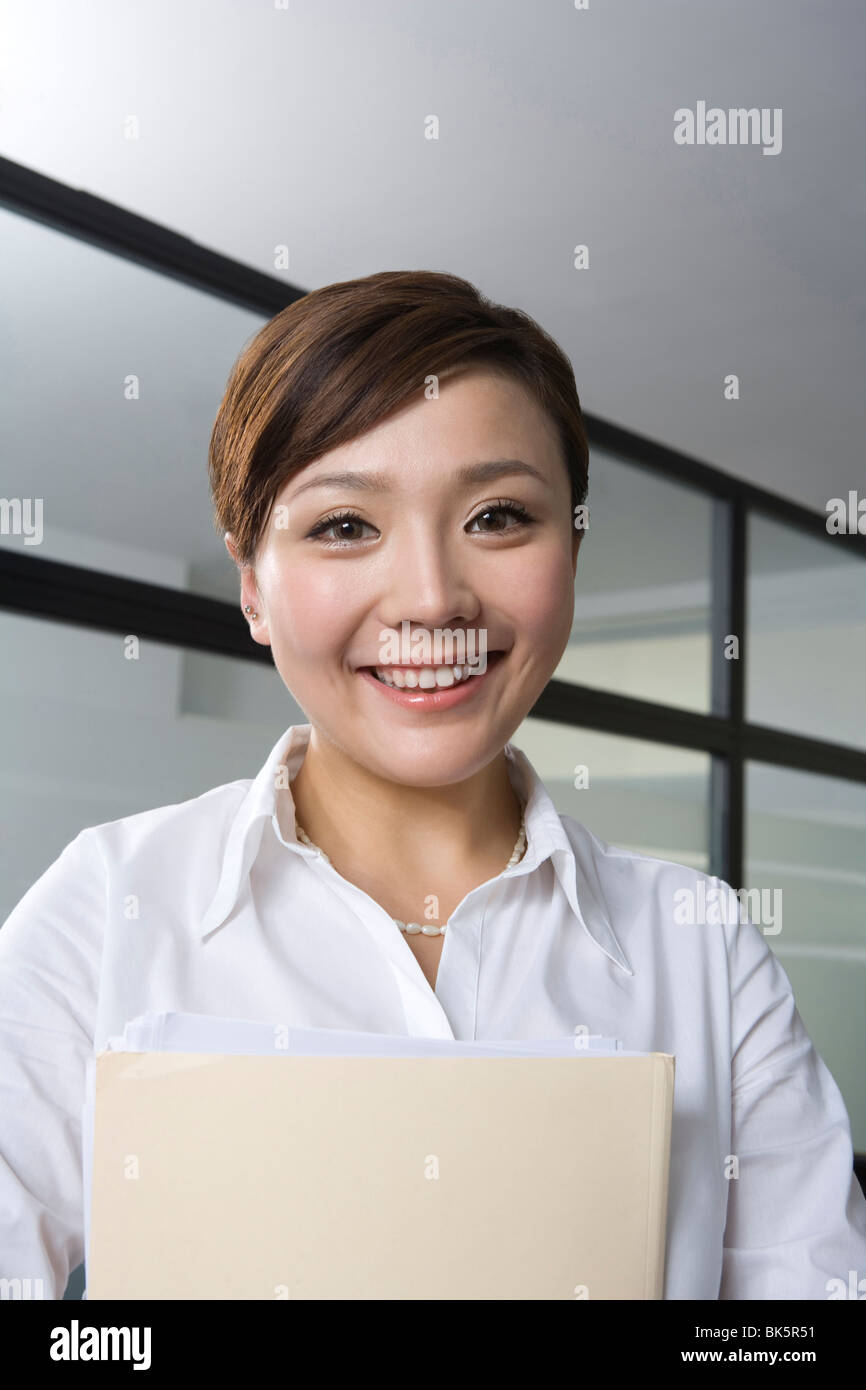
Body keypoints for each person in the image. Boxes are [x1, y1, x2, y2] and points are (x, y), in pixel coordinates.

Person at [1, 270, 864, 1300]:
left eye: (497, 515)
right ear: (251, 587)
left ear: (572, 553)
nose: (430, 597)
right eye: (343, 526)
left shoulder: (702, 946)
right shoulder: (108, 906)